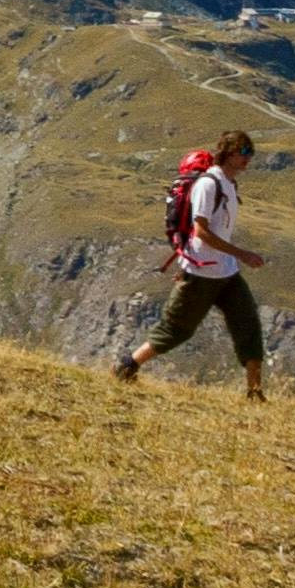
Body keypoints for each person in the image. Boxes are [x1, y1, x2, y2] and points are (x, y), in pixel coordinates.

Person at [118, 127, 268, 398]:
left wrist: (234, 258)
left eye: (251, 152)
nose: (248, 157)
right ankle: (127, 366)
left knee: (249, 327)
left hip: (227, 274)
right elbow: (201, 231)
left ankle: (254, 393)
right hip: (201, 272)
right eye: (243, 151)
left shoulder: (229, 185)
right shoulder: (208, 185)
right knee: (175, 330)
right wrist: (242, 253)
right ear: (228, 153)